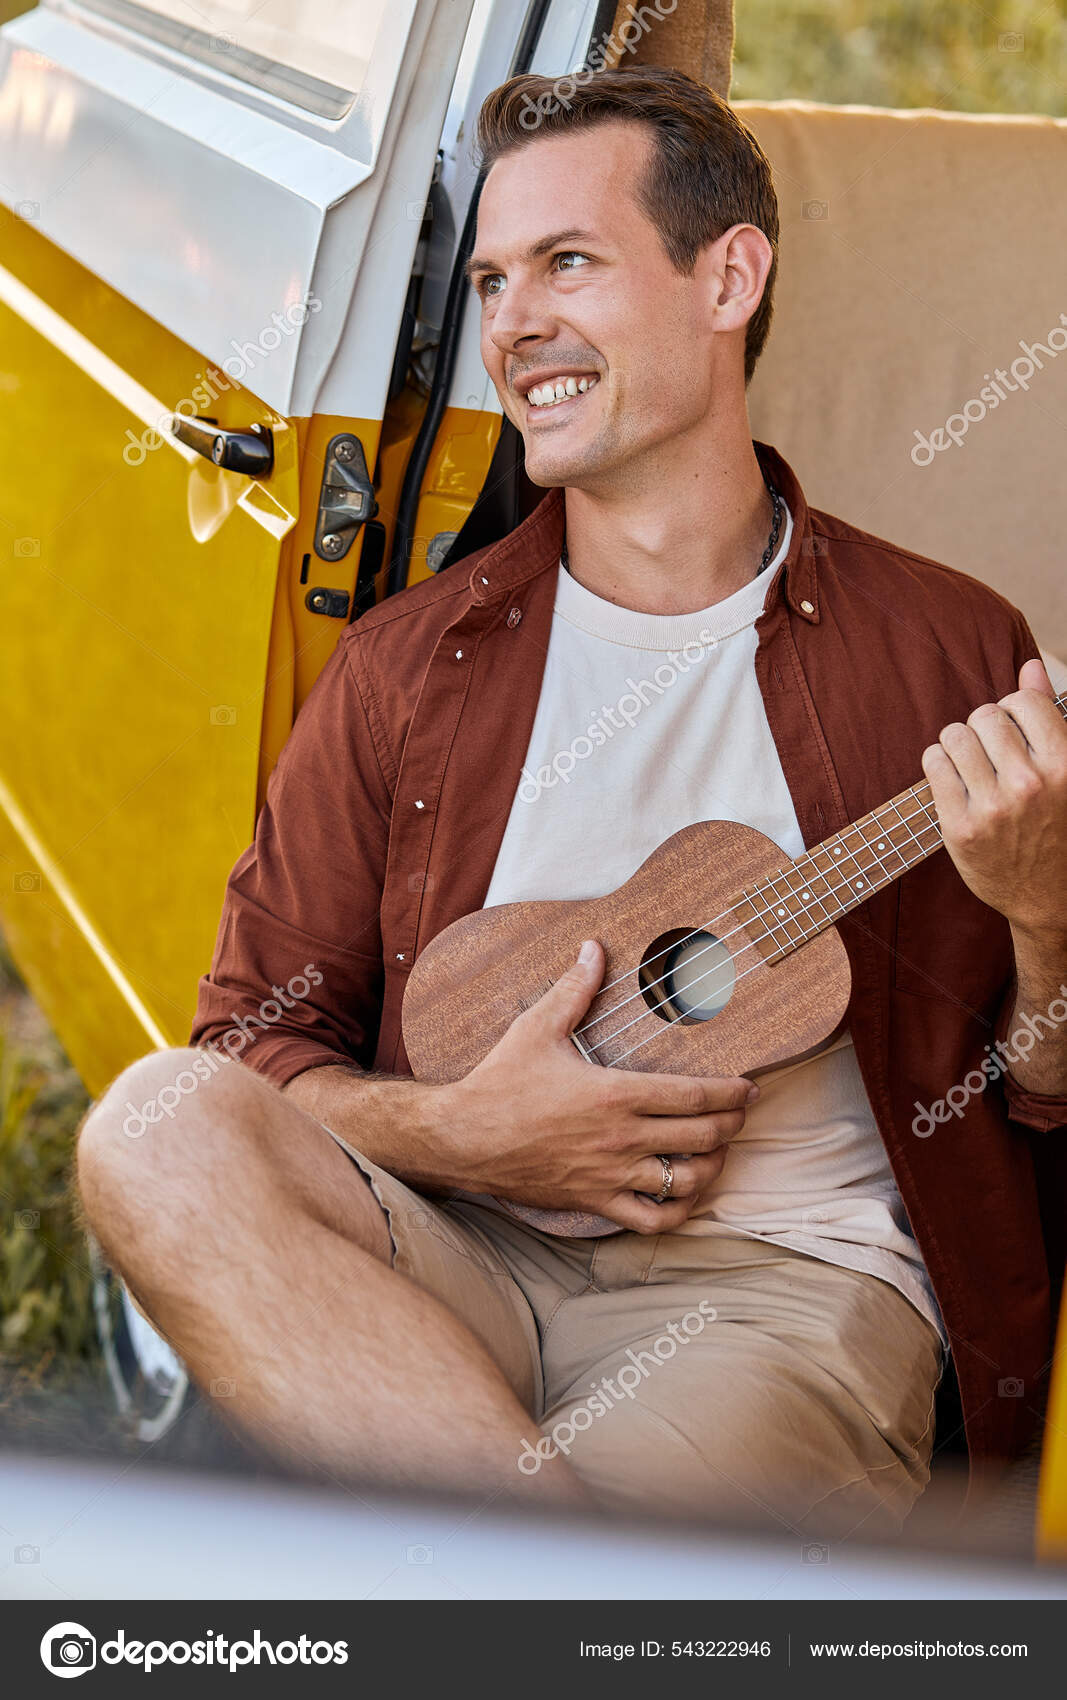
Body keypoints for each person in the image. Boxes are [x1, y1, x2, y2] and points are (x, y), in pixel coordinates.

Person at [76, 67, 1067, 1542]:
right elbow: (249, 1040)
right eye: (490, 279)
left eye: (568, 264)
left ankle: (479, 1553)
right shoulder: (410, 666)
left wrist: (1047, 918)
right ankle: (535, 1562)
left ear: (728, 277)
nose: (512, 323)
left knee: (578, 1554)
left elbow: (1043, 1111)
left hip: (781, 1297)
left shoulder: (950, 653)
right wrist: (469, 1141)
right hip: (456, 1246)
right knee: (151, 1129)